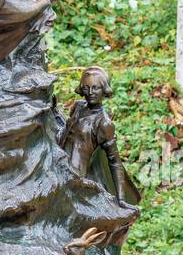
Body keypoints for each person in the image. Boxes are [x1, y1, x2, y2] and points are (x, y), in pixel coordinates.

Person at [58, 66, 140, 207]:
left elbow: (115, 162)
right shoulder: (78, 107)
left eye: (95, 88)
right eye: (86, 88)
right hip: (57, 163)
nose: (90, 93)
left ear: (104, 89)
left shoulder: (104, 123)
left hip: (74, 177)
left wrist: (121, 199)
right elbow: (66, 131)